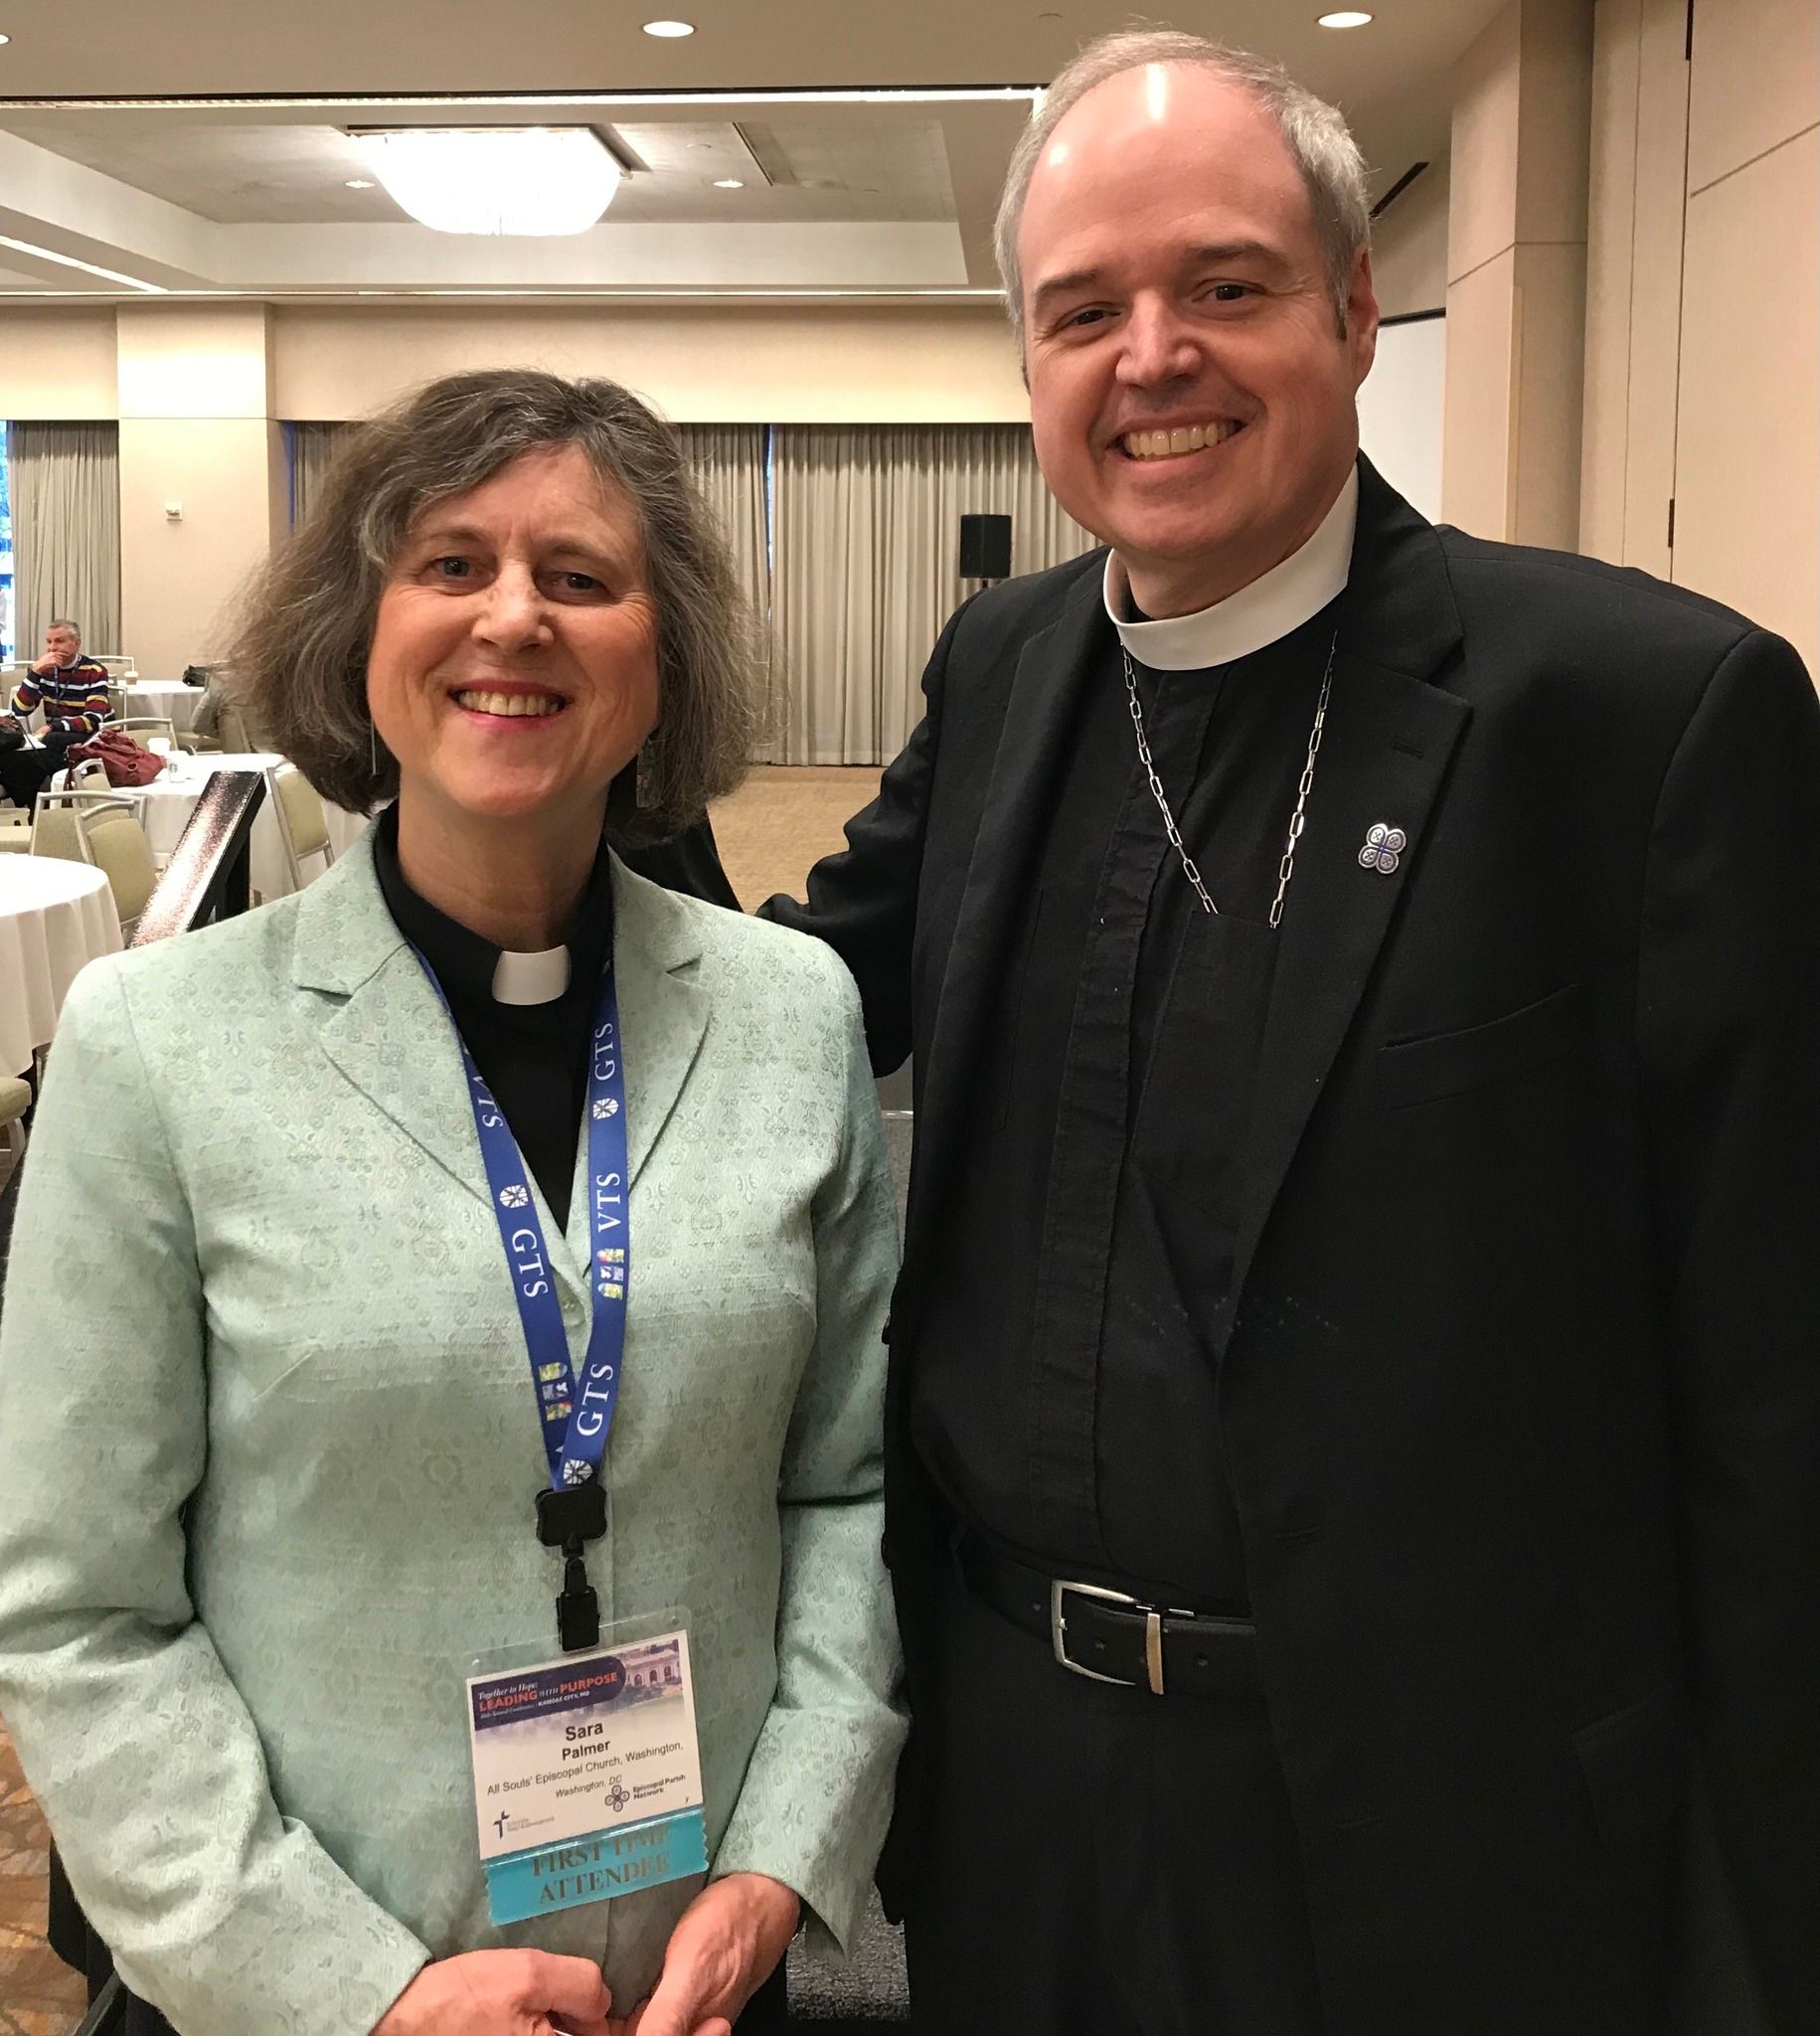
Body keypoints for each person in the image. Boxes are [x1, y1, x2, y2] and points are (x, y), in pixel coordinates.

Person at [763, 29, 1820, 2036]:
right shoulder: (1003, 667)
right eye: (1084, 309)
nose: (1151, 354)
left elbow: (1773, 1394)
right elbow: (793, 1000)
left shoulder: (1638, 717)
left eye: (1225, 286)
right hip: (1020, 1806)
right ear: (1030, 367)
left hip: (1450, 1830)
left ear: (1349, 308)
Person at [0, 369, 905, 2036]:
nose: (515, 618)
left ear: (662, 661)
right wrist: (358, 1990)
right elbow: (78, 1607)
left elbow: (840, 1491)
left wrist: (786, 1850)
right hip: (304, 1984)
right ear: (359, 633)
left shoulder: (796, 1021)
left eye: (580, 577)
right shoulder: (156, 1047)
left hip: (694, 1980)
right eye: (450, 565)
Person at [0, 616, 110, 809]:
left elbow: (93, 720)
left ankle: (41, 805)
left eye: (59, 641)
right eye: (49, 642)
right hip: (57, 733)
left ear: (77, 644)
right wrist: (35, 672)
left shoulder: (95, 670)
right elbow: (19, 710)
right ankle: (35, 803)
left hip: (90, 733)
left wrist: (53, 726)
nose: (51, 648)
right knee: (11, 751)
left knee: (47, 745)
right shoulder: (45, 670)